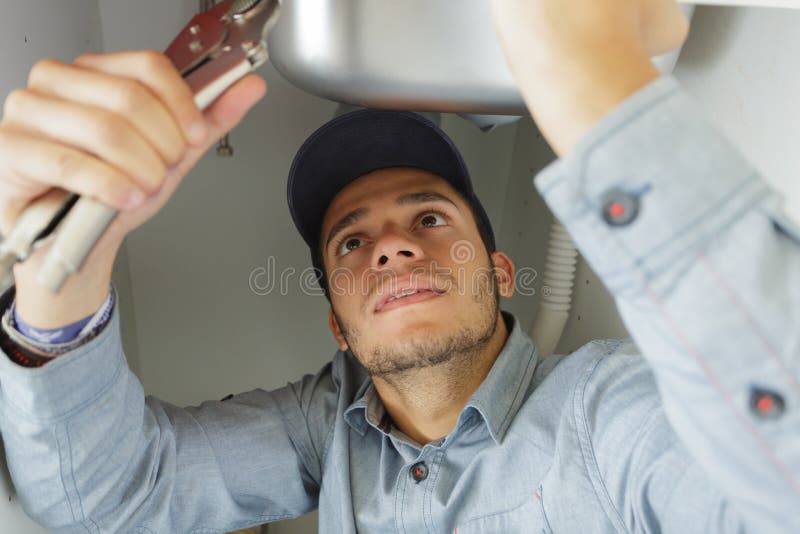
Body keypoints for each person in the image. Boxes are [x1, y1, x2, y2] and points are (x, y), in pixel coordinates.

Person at [0, 0, 797, 532]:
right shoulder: (327, 429)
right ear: (338, 328)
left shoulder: (604, 414)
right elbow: (103, 496)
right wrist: (63, 263)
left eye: (430, 218)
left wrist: (592, 78)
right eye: (351, 242)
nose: (390, 247)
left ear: (502, 273)